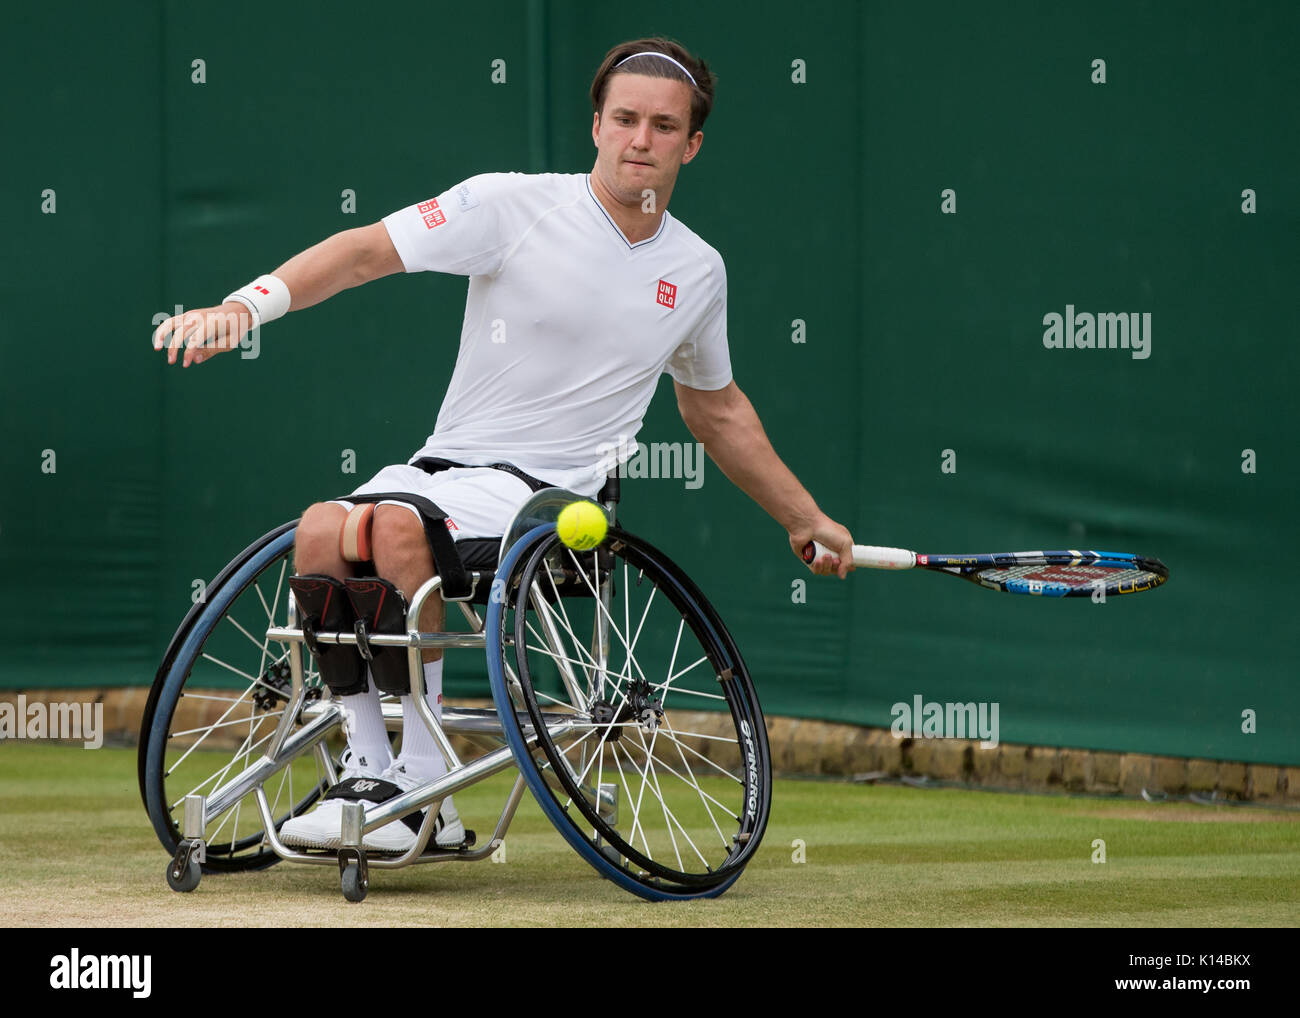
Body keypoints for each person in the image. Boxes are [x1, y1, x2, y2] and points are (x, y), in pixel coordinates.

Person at [152, 36, 855, 854]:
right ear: (596, 124)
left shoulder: (698, 271)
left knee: (392, 528)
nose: (640, 139)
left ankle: (420, 775)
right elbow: (363, 253)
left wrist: (803, 515)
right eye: (624, 118)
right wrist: (245, 308)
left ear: (690, 144)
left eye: (663, 126)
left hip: (556, 501)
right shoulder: (508, 204)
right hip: (441, 466)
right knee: (318, 530)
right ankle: (372, 768)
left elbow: (717, 412)